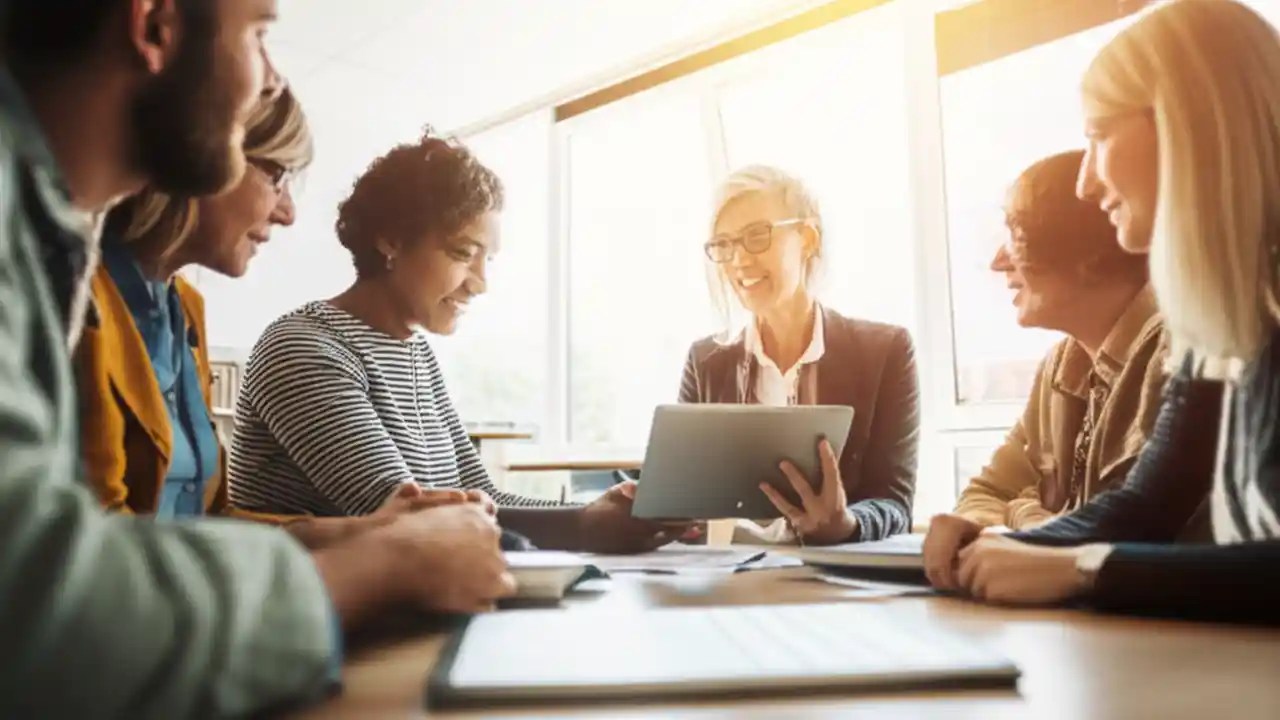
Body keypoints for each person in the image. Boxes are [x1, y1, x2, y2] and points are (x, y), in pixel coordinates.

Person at [0, 2, 513, 716]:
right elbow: (37, 605)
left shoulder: (129, 284)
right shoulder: (299, 343)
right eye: (260, 34)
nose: (269, 81)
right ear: (154, 24)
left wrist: (353, 538)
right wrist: (376, 564)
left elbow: (201, 522)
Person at [924, 0, 1280, 625]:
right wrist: (991, 548)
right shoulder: (1219, 322)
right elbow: (1146, 503)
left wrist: (1085, 568)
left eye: (1098, 137)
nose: (1086, 184)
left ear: (1184, 125)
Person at [229, 131, 685, 554]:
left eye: (488, 259)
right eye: (463, 254)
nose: (480, 283)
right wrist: (583, 526)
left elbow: (481, 497)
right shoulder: (303, 348)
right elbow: (409, 515)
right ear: (390, 239)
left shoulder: (416, 354)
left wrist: (593, 514)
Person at [679, 165, 919, 545]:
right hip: (728, 583)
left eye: (756, 236)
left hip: (831, 584)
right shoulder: (706, 362)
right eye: (724, 244)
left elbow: (894, 504)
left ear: (807, 238)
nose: (739, 260)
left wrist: (848, 524)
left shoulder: (885, 352)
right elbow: (684, 499)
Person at [953, 149, 1164, 531]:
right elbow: (981, 496)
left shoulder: (1172, 360)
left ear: (1088, 251)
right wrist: (1033, 522)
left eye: (1017, 235)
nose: (998, 261)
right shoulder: (1061, 366)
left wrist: (1023, 512)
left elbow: (1118, 537)